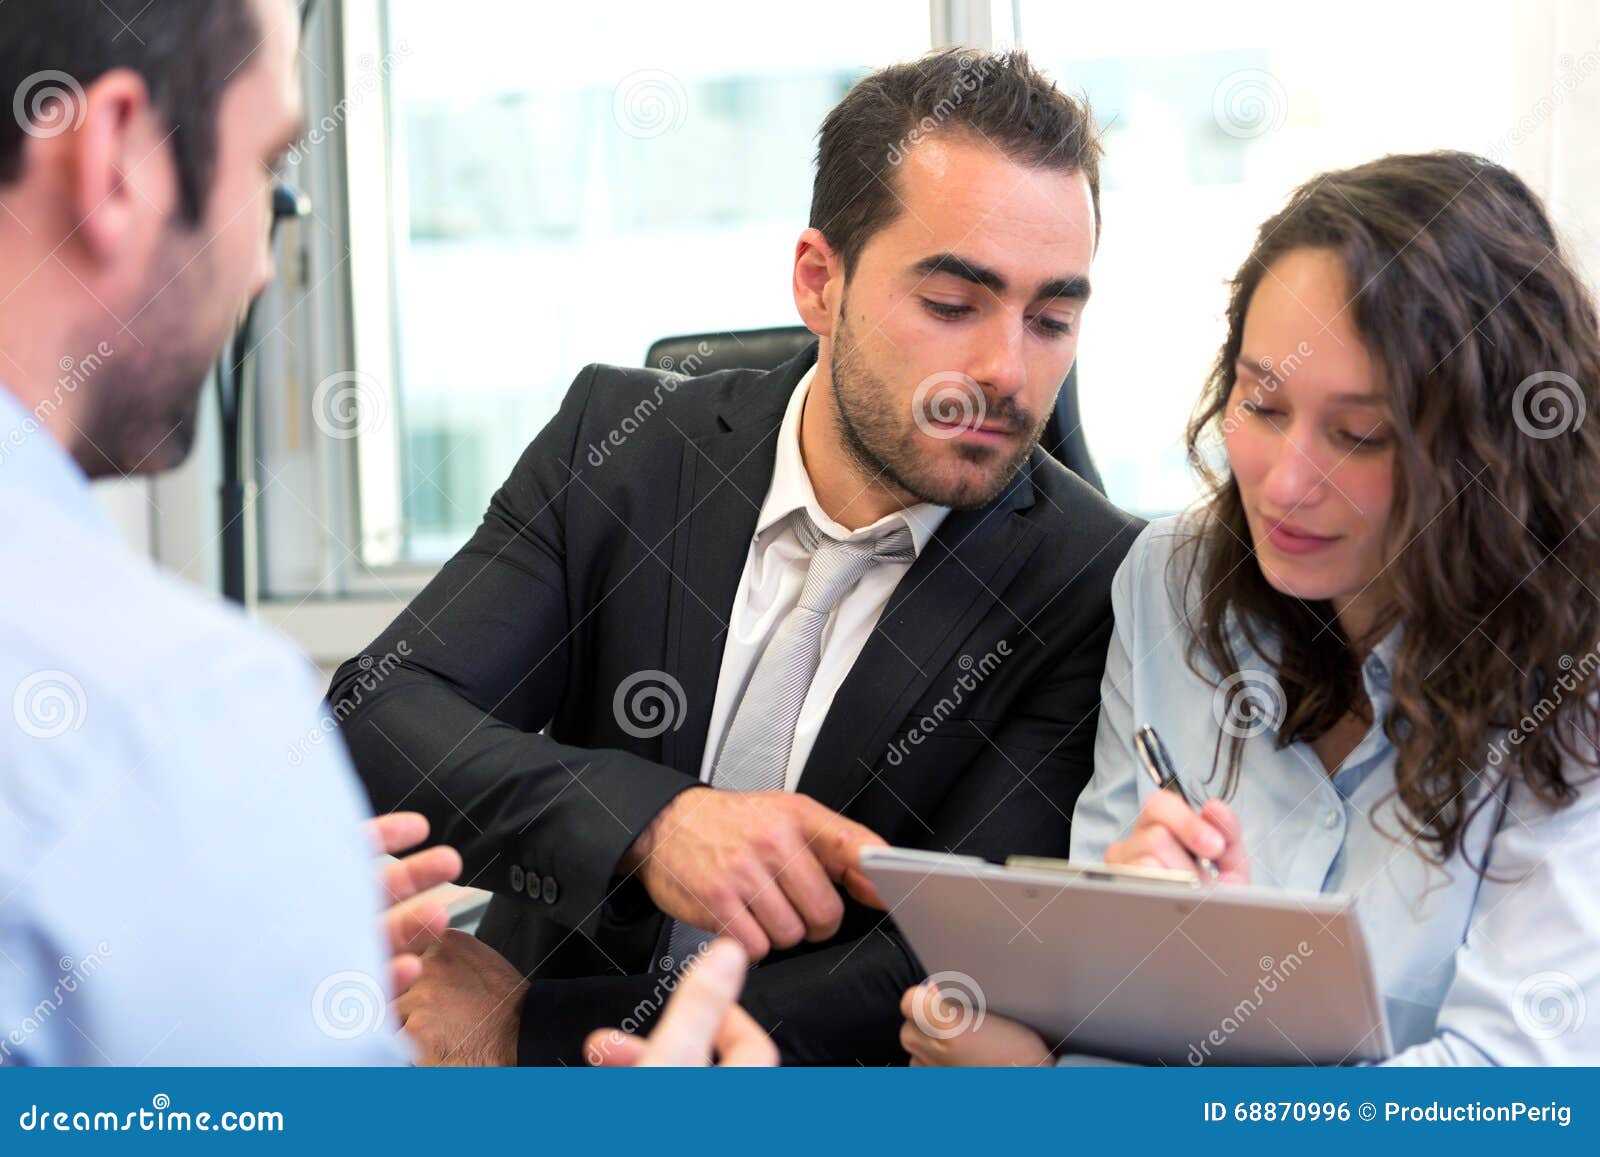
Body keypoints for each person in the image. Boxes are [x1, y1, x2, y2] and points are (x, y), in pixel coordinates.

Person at [330, 47, 1142, 1066]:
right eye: (951, 304)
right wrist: (653, 826)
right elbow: (377, 719)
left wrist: (525, 1031)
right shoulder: (619, 444)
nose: (1005, 369)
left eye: (1052, 318)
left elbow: (945, 963)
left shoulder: (1093, 582)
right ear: (819, 280)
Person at [0, 0, 764, 1068]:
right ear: (118, 158)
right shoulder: (175, 709)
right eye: (269, 179)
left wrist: (234, 951)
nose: (265, 268)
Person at [898, 151, 1600, 1066]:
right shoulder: (1171, 581)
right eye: (1262, 404)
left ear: (1490, 450)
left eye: (1359, 434)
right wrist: (1133, 952)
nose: (1287, 482)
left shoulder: (1573, 671)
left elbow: (1503, 1095)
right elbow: (1084, 1001)